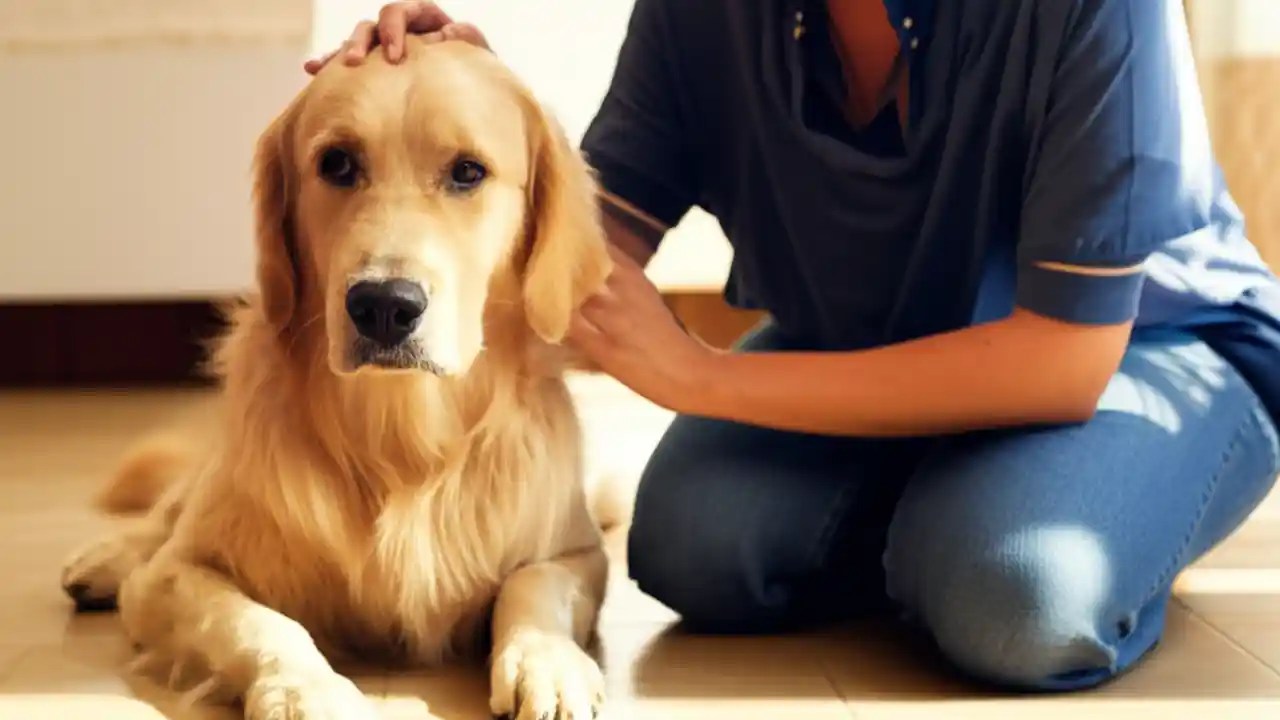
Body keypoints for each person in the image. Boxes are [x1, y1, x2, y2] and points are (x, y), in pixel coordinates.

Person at [313, 0, 1280, 691]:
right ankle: (961, 520)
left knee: (1016, 595)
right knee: (694, 546)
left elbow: (1063, 364)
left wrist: (703, 377)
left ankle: (1049, 522)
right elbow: (576, 263)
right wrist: (473, 119)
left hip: (1146, 354)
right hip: (867, 337)